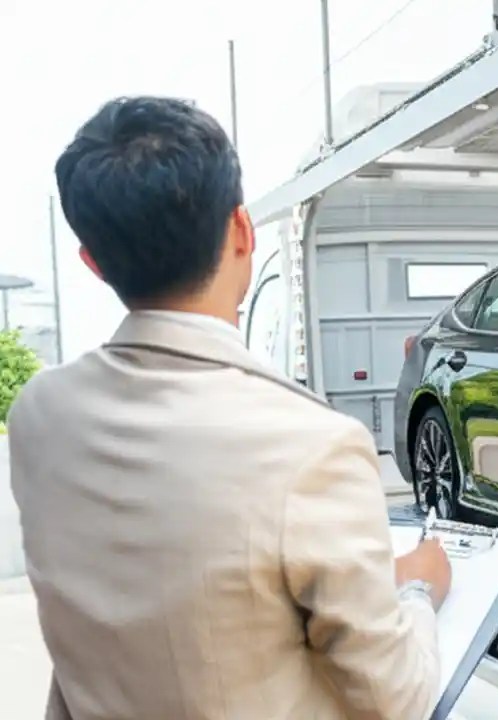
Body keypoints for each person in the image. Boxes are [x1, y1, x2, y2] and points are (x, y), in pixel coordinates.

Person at [9, 96, 451, 720]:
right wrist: (416, 589)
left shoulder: (39, 416)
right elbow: (396, 698)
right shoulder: (311, 444)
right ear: (242, 230)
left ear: (94, 262)